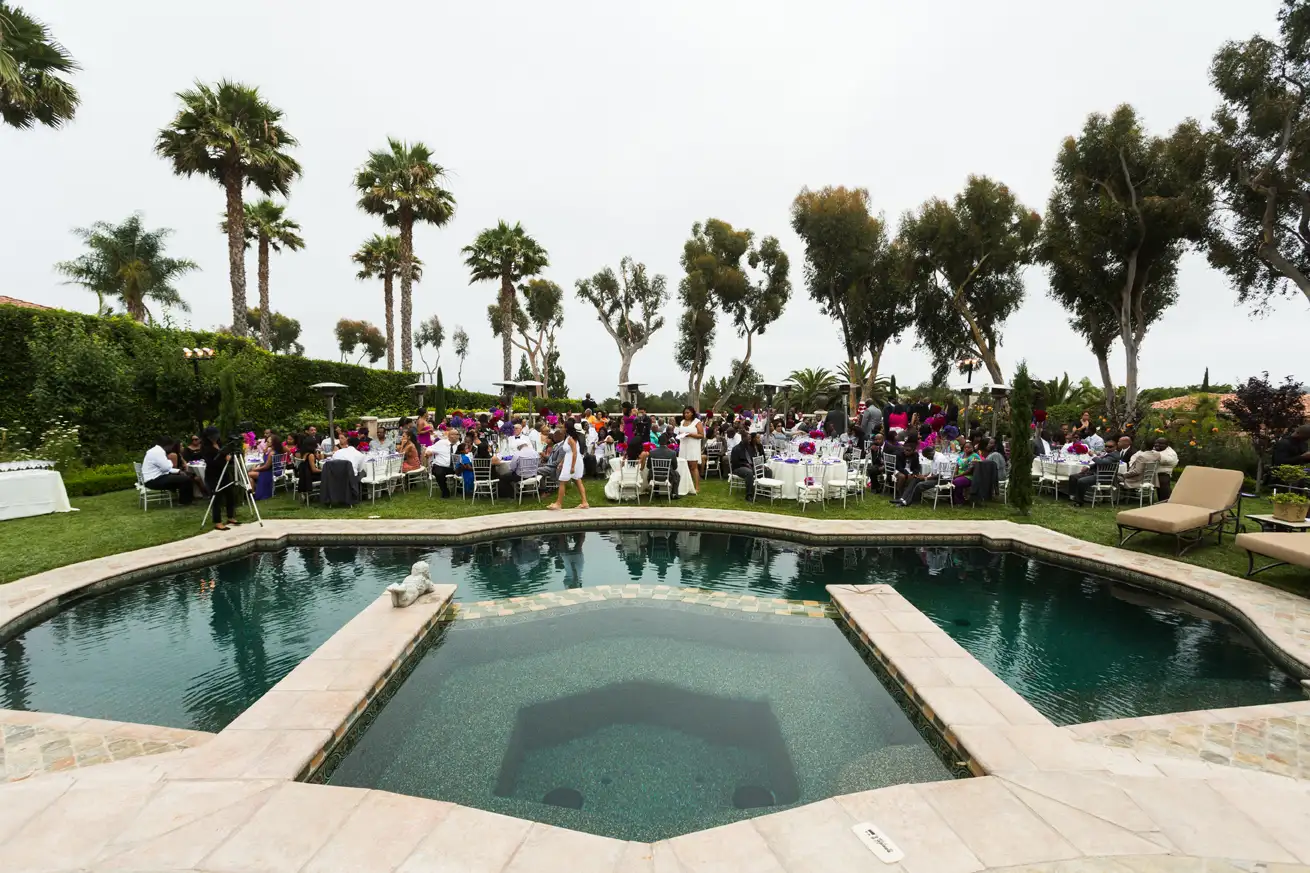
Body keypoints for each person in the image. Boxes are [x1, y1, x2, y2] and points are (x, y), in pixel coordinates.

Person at [198, 427, 240, 529]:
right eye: (213, 436)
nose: (215, 438)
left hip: (224, 472)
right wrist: (224, 459)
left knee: (230, 494)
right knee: (217, 496)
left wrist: (229, 459)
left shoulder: (220, 444)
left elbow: (227, 457)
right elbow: (210, 462)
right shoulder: (205, 447)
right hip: (213, 474)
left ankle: (230, 516)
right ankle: (217, 521)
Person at [1068, 440, 1126, 506]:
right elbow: (1098, 463)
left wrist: (1093, 455)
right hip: (1096, 474)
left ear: (1115, 447)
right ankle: (1073, 496)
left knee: (1082, 481)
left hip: (1104, 477)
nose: (1107, 448)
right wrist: (1088, 466)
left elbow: (1102, 462)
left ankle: (1079, 502)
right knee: (1073, 477)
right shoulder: (1106, 453)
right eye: (1106, 446)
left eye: (1110, 447)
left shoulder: (1115, 455)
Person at [142, 437, 197, 506]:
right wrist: (169, 462)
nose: (171, 448)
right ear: (167, 445)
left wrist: (178, 471)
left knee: (184, 477)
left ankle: (185, 500)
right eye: (171, 446)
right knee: (186, 479)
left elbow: (164, 468)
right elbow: (166, 468)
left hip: (153, 478)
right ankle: (185, 502)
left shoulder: (155, 451)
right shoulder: (158, 452)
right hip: (154, 480)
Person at [548, 422, 589, 509]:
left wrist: (572, 466)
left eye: (562, 427)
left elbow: (574, 453)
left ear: (566, 428)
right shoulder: (569, 438)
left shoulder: (570, 439)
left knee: (562, 481)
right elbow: (568, 452)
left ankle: (558, 503)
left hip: (572, 462)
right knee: (578, 481)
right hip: (569, 461)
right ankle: (585, 502)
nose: (561, 429)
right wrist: (561, 462)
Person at [729, 430, 761, 500]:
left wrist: (759, 465)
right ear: (743, 438)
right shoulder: (736, 449)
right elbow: (735, 463)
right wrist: (746, 465)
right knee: (749, 472)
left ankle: (764, 492)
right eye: (748, 439)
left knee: (767, 470)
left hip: (750, 466)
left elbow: (753, 459)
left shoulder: (750, 448)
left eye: (750, 439)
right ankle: (749, 495)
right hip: (738, 468)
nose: (750, 440)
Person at [648, 432, 681, 497]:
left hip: (654, 476)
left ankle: (655, 491)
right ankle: (674, 493)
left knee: (650, 471)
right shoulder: (672, 453)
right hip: (668, 476)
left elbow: (648, 466)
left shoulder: (652, 452)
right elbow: (675, 467)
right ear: (667, 442)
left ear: (658, 441)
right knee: (676, 474)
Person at [951, 440, 980, 505]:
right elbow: (957, 465)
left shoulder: (974, 456)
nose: (966, 449)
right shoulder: (961, 455)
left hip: (969, 476)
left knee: (956, 482)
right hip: (959, 475)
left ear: (972, 448)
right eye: (965, 447)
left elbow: (970, 470)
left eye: (969, 447)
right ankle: (952, 499)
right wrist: (955, 474)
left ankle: (960, 500)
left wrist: (957, 476)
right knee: (948, 480)